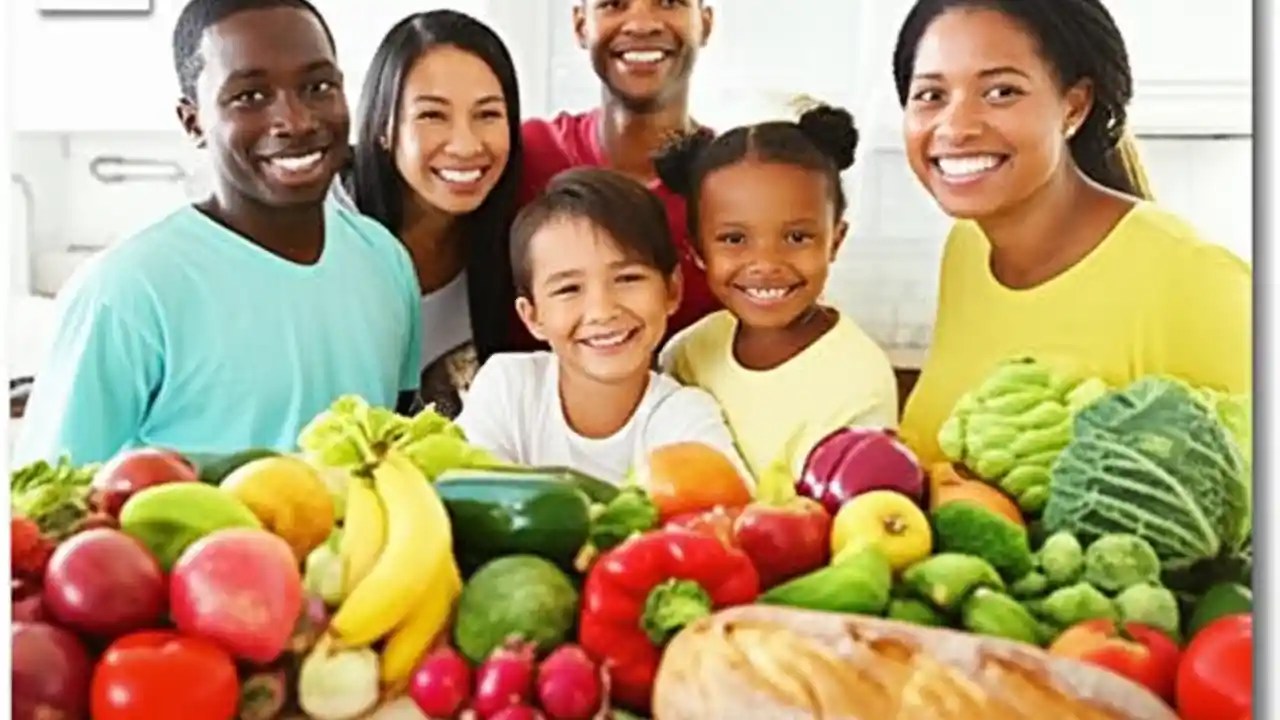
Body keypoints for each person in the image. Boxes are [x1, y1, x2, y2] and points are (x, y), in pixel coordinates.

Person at [15, 0, 421, 466]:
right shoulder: (126, 292)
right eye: (250, 96)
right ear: (193, 122)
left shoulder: (385, 261)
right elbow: (48, 493)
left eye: (318, 87)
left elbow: (394, 449)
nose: (296, 121)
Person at [891, 0, 1252, 466]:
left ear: (1074, 106)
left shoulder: (1193, 278)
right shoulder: (968, 247)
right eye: (931, 95)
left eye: (1001, 92)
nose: (956, 127)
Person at [655, 103, 899, 485]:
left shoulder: (859, 381)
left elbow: (859, 507)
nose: (766, 264)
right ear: (698, 251)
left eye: (797, 237)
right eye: (734, 239)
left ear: (835, 241)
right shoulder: (687, 354)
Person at [455, 167, 746, 485]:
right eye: (569, 289)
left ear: (672, 290)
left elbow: (727, 504)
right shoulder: (509, 387)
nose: (602, 311)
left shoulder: (684, 415)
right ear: (532, 316)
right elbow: (463, 490)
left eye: (627, 279)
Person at [512, 0, 719, 350]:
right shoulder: (525, 154)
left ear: (705, 23)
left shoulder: (735, 185)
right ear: (581, 25)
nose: (641, 24)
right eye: (613, 4)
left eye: (669, 3)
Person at [345, 9, 522, 418]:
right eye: (432, 115)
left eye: (488, 114)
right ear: (383, 127)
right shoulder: (324, 227)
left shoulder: (512, 237)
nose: (466, 145)